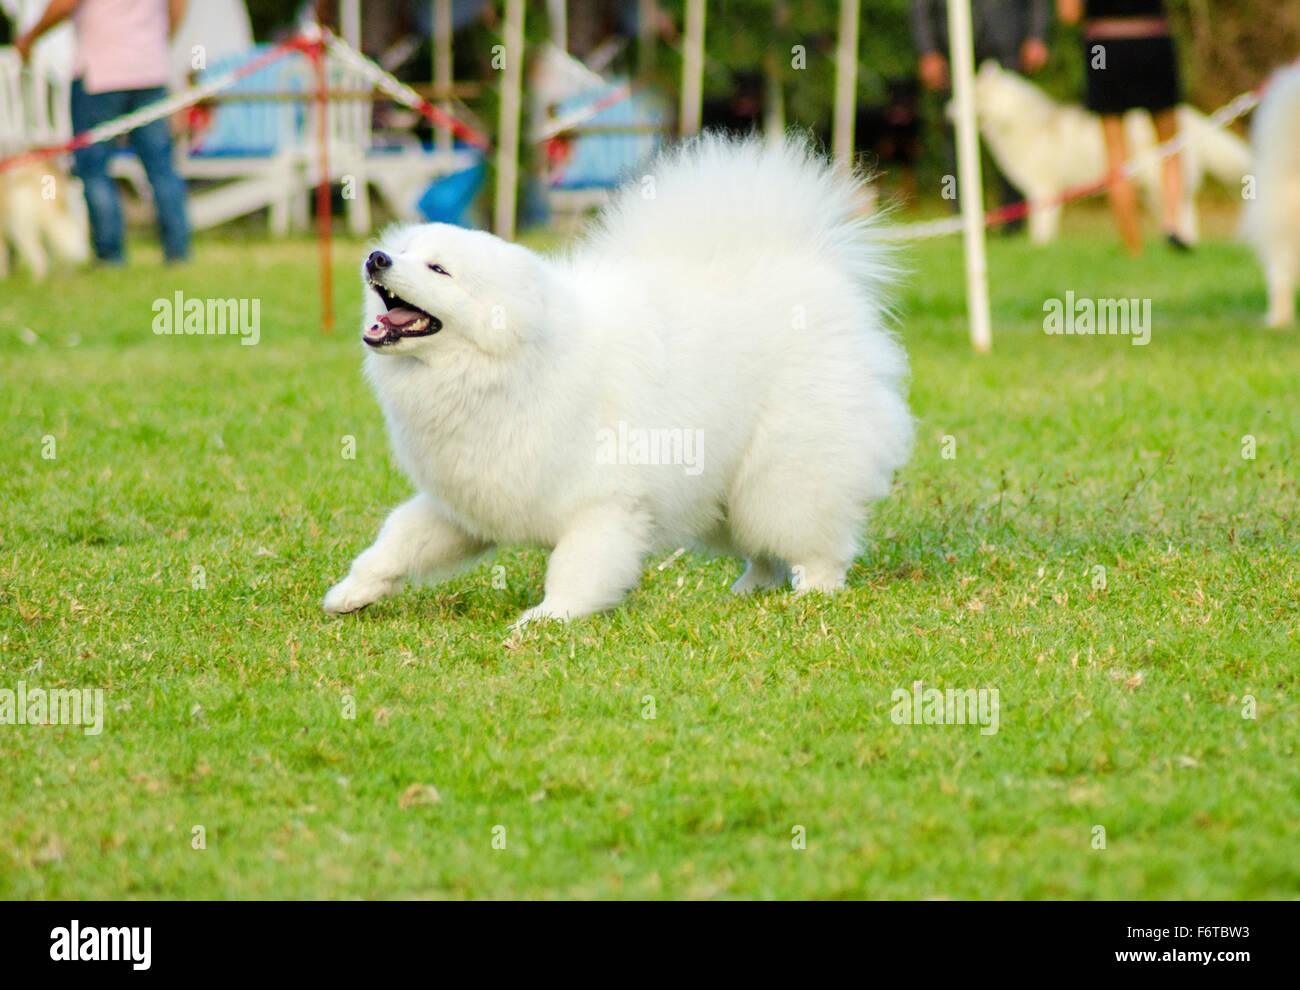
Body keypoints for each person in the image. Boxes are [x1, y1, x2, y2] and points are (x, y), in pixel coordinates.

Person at [16, 0, 191, 264]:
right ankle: (178, 250)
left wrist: (29, 38)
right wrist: (159, 42)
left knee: (94, 169)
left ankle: (110, 255)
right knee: (161, 166)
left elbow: (63, 5)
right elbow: (178, 4)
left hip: (101, 74)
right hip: (150, 70)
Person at [1058, 0, 1187, 254]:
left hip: (1105, 47)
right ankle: (1173, 227)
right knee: (1170, 144)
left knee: (1116, 152)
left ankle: (1133, 246)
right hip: (1153, 40)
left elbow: (1069, 14)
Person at [911, 0, 1052, 229]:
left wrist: (1037, 36)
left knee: (1016, 139)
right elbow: (920, 6)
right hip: (953, 52)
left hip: (1009, 48)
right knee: (956, 139)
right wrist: (927, 51)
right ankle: (963, 220)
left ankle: (1014, 222)